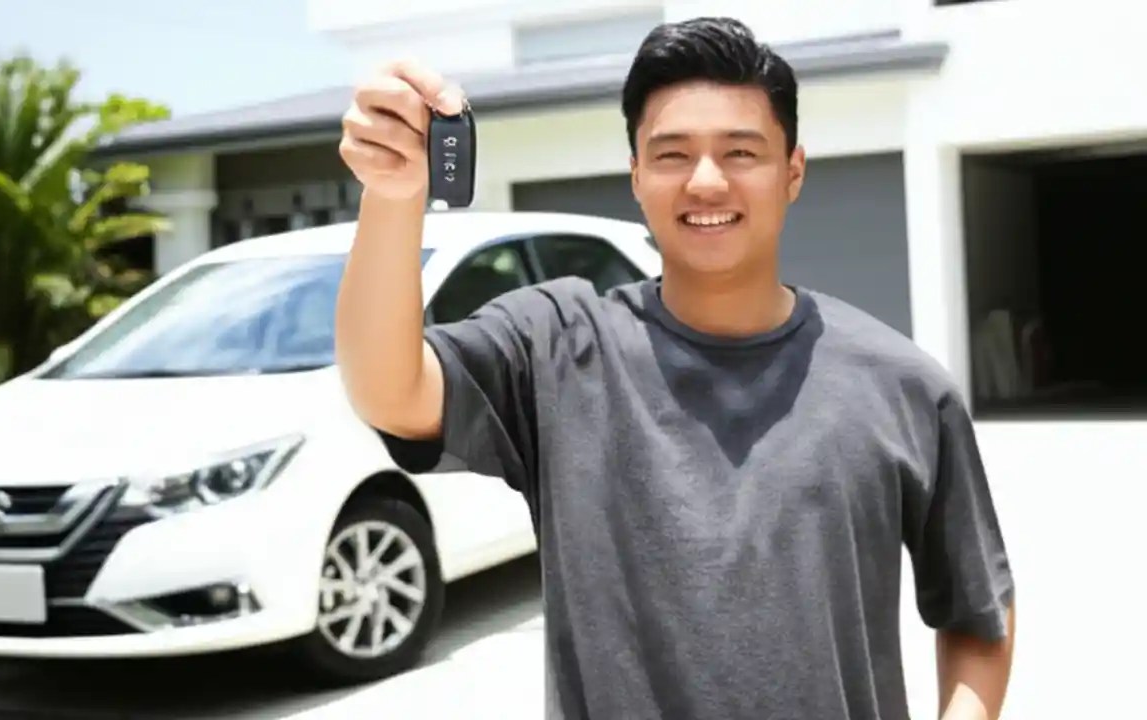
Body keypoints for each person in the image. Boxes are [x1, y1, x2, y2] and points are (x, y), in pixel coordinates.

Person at [335, 15, 1015, 720]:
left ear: (793, 172)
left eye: (742, 152)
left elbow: (978, 610)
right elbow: (390, 391)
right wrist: (391, 196)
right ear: (635, 176)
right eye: (671, 154)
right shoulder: (561, 349)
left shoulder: (903, 386)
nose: (707, 181)